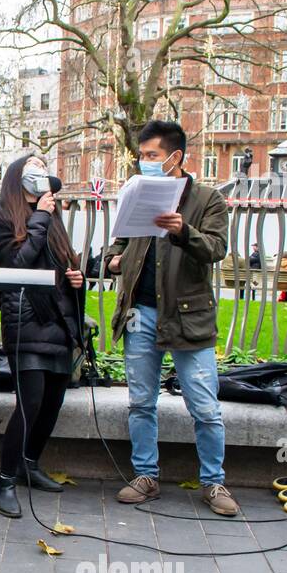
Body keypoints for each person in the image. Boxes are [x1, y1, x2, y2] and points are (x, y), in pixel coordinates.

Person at [103, 120, 240, 517]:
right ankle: (145, 475)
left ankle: (213, 482)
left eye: (152, 156)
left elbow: (216, 249)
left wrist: (184, 232)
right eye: (141, 156)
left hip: (188, 319)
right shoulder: (136, 192)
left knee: (205, 406)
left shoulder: (207, 199)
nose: (144, 163)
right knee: (141, 401)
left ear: (175, 157)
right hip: (140, 314)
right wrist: (114, 259)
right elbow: (120, 240)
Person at [0, 154, 85, 518]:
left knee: (52, 403)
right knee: (29, 404)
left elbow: (63, 264)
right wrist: (41, 215)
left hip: (59, 322)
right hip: (24, 322)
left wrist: (77, 279)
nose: (42, 175)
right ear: (17, 177)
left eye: (45, 168)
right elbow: (16, 265)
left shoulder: (52, 218)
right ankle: (5, 479)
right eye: (34, 169)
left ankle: (30, 463)